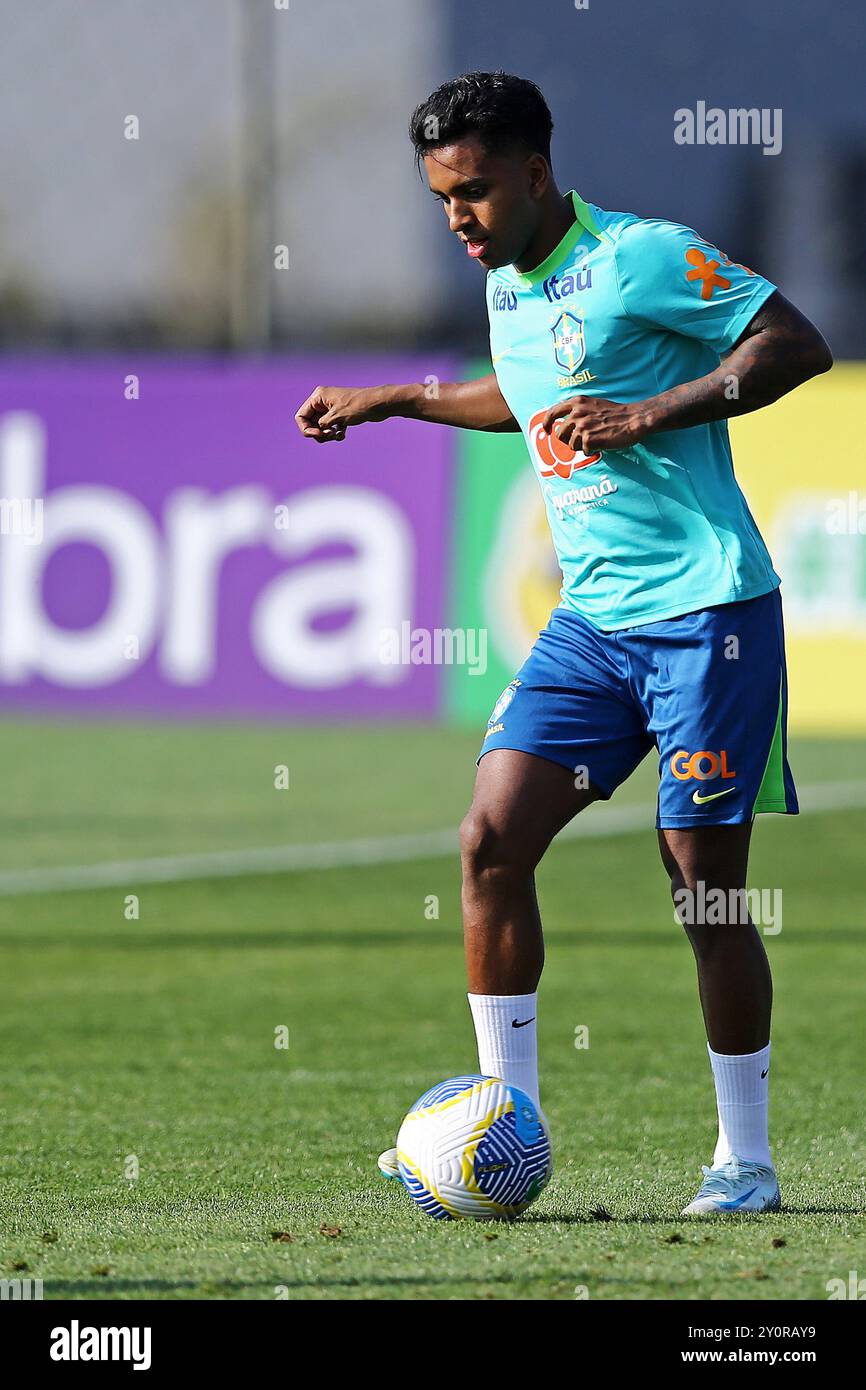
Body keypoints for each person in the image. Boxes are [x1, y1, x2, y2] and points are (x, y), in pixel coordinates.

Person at [294, 72, 832, 1215]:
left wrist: (649, 413)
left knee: (704, 893)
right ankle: (503, 1125)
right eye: (443, 199)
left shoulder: (642, 255)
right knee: (490, 840)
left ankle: (744, 1162)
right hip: (591, 623)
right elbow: (526, 391)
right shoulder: (507, 278)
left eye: (475, 193)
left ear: (534, 173)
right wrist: (400, 397)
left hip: (705, 617)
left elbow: (793, 345)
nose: (458, 219)